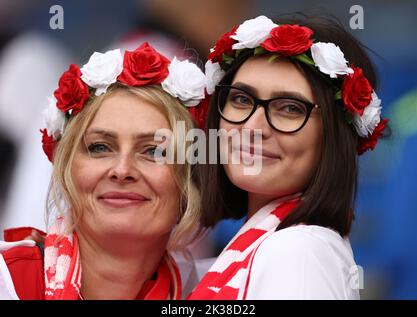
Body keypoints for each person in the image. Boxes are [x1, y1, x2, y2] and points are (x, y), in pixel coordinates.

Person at [188, 14, 390, 299]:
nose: (253, 127)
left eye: (290, 108)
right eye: (241, 99)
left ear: (334, 137)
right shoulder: (271, 247)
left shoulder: (298, 252)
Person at [0, 42, 209, 300]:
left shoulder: (219, 292)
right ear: (67, 168)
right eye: (100, 147)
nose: (122, 170)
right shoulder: (8, 282)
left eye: (154, 151)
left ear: (190, 178)